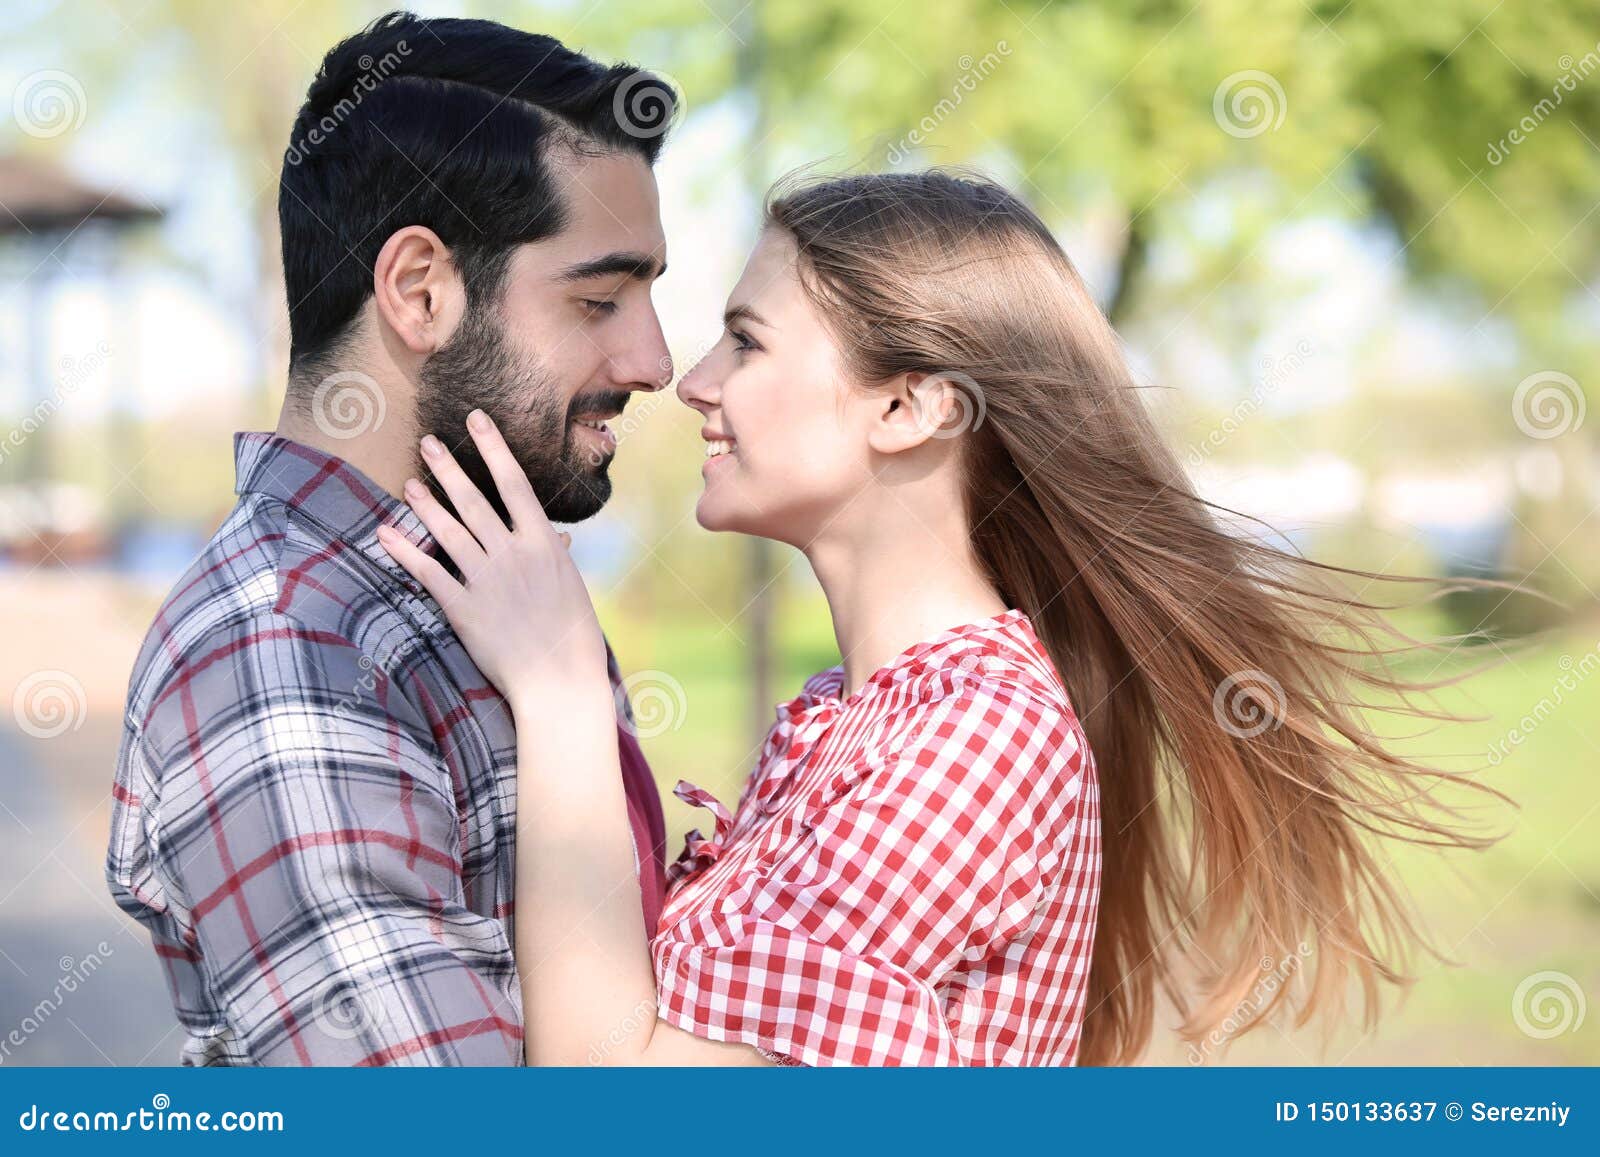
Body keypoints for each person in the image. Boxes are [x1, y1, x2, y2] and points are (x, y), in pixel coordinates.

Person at [381, 170, 1506, 1066]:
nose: (691, 379)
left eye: (748, 338)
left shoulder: (973, 742)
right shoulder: (858, 715)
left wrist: (563, 687)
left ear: (907, 405)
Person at [106, 11, 679, 1065]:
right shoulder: (284, 652)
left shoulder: (492, 585)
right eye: (600, 297)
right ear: (420, 290)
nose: (655, 360)